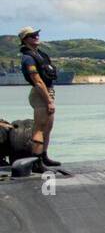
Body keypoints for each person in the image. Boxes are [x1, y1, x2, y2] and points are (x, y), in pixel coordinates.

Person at [16, 27, 60, 166]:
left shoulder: (40, 54)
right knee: (39, 128)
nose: (36, 36)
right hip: (40, 93)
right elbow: (38, 82)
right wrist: (48, 101)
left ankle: (44, 156)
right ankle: (37, 161)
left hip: (48, 91)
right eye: (32, 35)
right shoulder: (28, 58)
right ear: (25, 40)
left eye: (37, 34)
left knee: (48, 127)